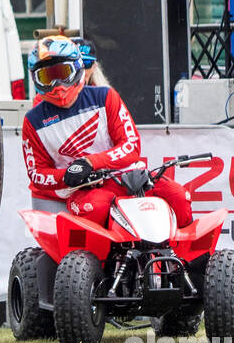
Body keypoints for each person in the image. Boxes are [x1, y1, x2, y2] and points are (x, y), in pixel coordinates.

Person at [22, 35, 192, 228]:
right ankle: (105, 258)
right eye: (47, 77)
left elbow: (131, 146)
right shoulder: (33, 120)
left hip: (127, 177)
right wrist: (68, 175)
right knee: (95, 208)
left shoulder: (105, 97)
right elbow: (37, 173)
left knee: (178, 196)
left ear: (77, 67)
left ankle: (191, 257)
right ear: (36, 79)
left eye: (62, 73)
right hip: (81, 189)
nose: (57, 85)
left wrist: (90, 162)